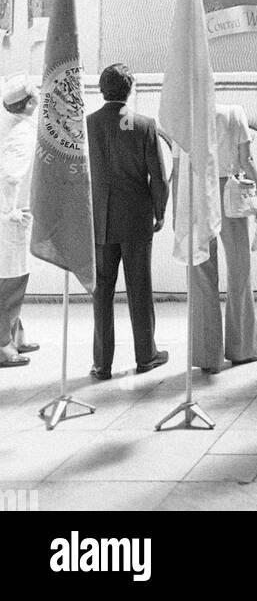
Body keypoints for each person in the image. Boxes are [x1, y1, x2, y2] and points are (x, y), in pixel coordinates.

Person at [87, 64, 169, 379]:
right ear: (130, 88)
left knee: (102, 291)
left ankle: (102, 363)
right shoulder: (145, 125)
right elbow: (158, 177)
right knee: (140, 287)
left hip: (102, 221)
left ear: (101, 89)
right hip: (136, 219)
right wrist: (159, 212)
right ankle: (146, 356)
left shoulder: (88, 124)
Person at [191, 104, 257, 373]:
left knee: (202, 272)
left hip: (198, 189)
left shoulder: (190, 114)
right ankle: (242, 348)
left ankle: (206, 355)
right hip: (231, 190)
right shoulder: (235, 113)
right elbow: (247, 160)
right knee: (239, 268)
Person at [0, 76, 40, 368]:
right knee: (11, 283)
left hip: (10, 216)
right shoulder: (22, 134)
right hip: (9, 219)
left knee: (14, 279)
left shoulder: (12, 125)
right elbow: (10, 176)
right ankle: (3, 346)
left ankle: (17, 334)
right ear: (28, 103)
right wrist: (7, 212)